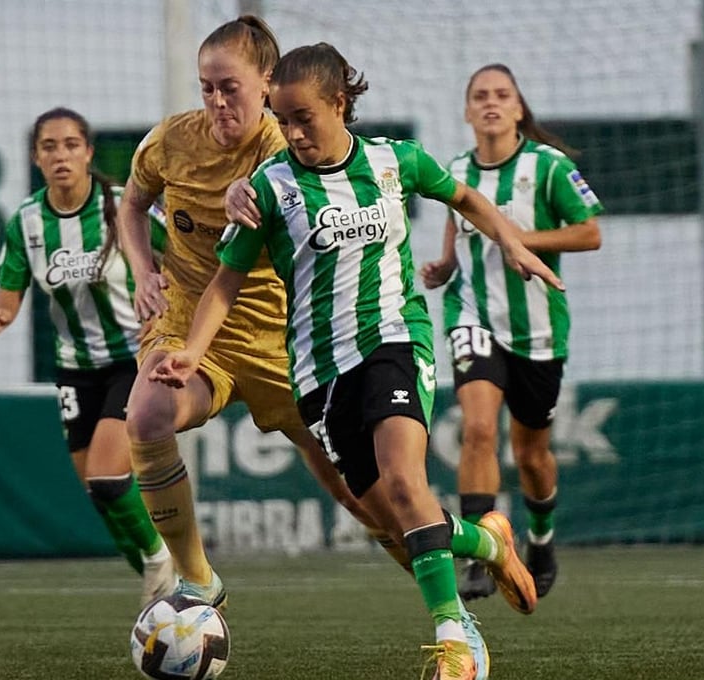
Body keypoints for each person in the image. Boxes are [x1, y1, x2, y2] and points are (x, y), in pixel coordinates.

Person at [153, 43, 561, 679]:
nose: (291, 133)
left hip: (395, 341)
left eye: (303, 118)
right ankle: (486, 539)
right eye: (282, 120)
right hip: (318, 373)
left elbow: (465, 198)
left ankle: (458, 639)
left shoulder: (394, 162)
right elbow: (226, 283)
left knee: (405, 481)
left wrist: (513, 243)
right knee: (391, 518)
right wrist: (190, 354)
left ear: (340, 103)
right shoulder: (270, 187)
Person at [117, 14, 413, 613]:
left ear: (266, 85)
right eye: (207, 86)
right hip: (191, 327)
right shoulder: (168, 141)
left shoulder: (289, 146)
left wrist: (248, 189)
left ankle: (436, 572)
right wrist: (144, 270)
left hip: (283, 339)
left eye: (230, 87)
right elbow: (131, 205)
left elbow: (308, 184)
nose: (218, 100)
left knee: (355, 490)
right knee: (147, 414)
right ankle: (198, 581)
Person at [420, 64, 603, 602]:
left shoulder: (548, 167)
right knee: (477, 428)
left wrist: (524, 239)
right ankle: (480, 555)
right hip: (472, 314)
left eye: (503, 95)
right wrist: (446, 266)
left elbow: (591, 232)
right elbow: (458, 227)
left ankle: (542, 540)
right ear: (467, 111)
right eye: (481, 96)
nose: (492, 103)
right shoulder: (456, 169)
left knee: (531, 455)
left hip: (539, 329)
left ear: (519, 109)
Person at [0, 107, 173, 606]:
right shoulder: (26, 222)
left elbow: (178, 253)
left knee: (109, 476)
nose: (60, 154)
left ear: (89, 152)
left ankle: (161, 559)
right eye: (50, 146)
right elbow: (10, 291)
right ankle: (163, 599)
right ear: (35, 157)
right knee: (99, 495)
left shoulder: (122, 206)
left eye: (71, 144)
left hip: (133, 358)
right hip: (73, 368)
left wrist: (168, 292)